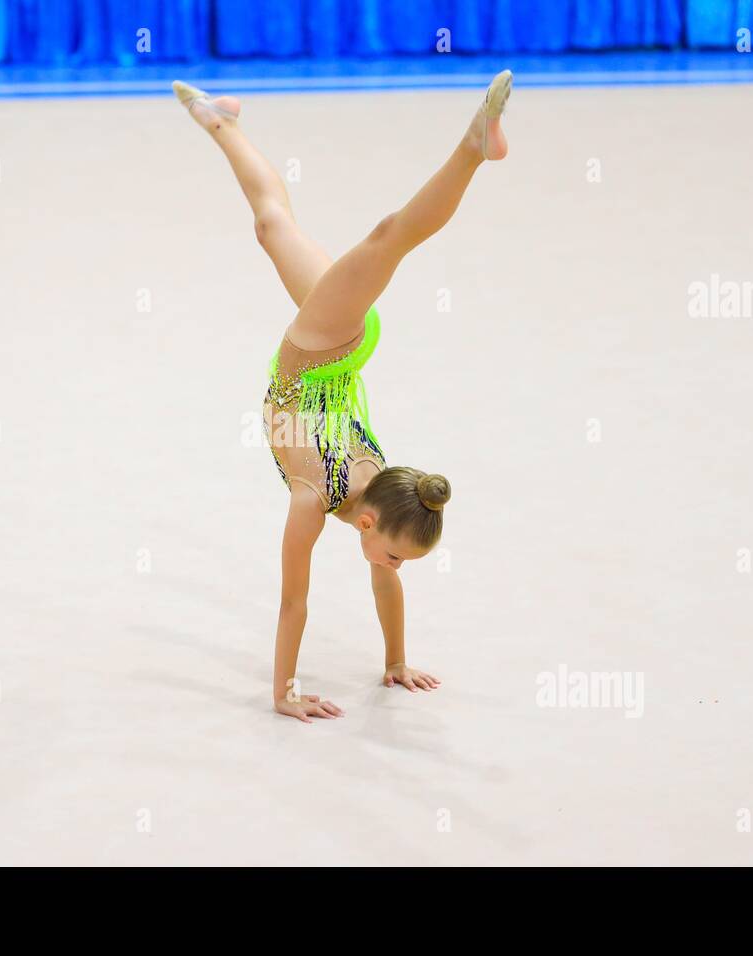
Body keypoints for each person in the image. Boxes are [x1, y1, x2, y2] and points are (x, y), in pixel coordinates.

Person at [172, 71, 513, 722]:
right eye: (395, 556)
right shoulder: (328, 501)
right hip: (321, 348)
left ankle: (221, 120)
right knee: (391, 236)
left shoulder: (383, 500)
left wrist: (395, 663)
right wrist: (284, 694)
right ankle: (473, 147)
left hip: (332, 348)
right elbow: (292, 603)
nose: (394, 568)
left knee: (274, 226)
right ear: (368, 524)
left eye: (400, 560)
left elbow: (381, 579)